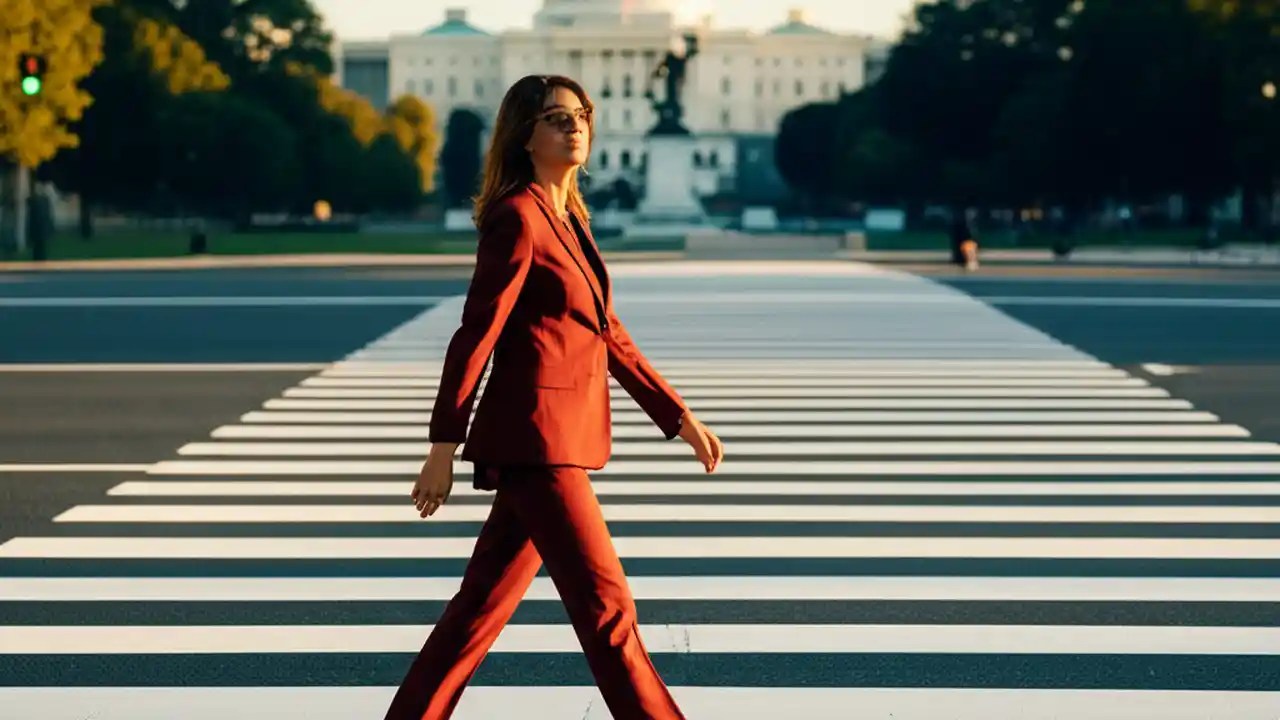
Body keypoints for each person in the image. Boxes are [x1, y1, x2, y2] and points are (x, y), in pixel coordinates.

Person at [383, 74, 725, 720]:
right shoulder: (517, 218)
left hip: (551, 440)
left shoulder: (567, 216)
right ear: (524, 136)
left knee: (475, 615)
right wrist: (441, 446)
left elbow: (606, 333)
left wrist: (678, 417)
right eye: (555, 118)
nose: (574, 127)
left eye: (579, 116)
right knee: (609, 613)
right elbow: (474, 335)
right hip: (540, 444)